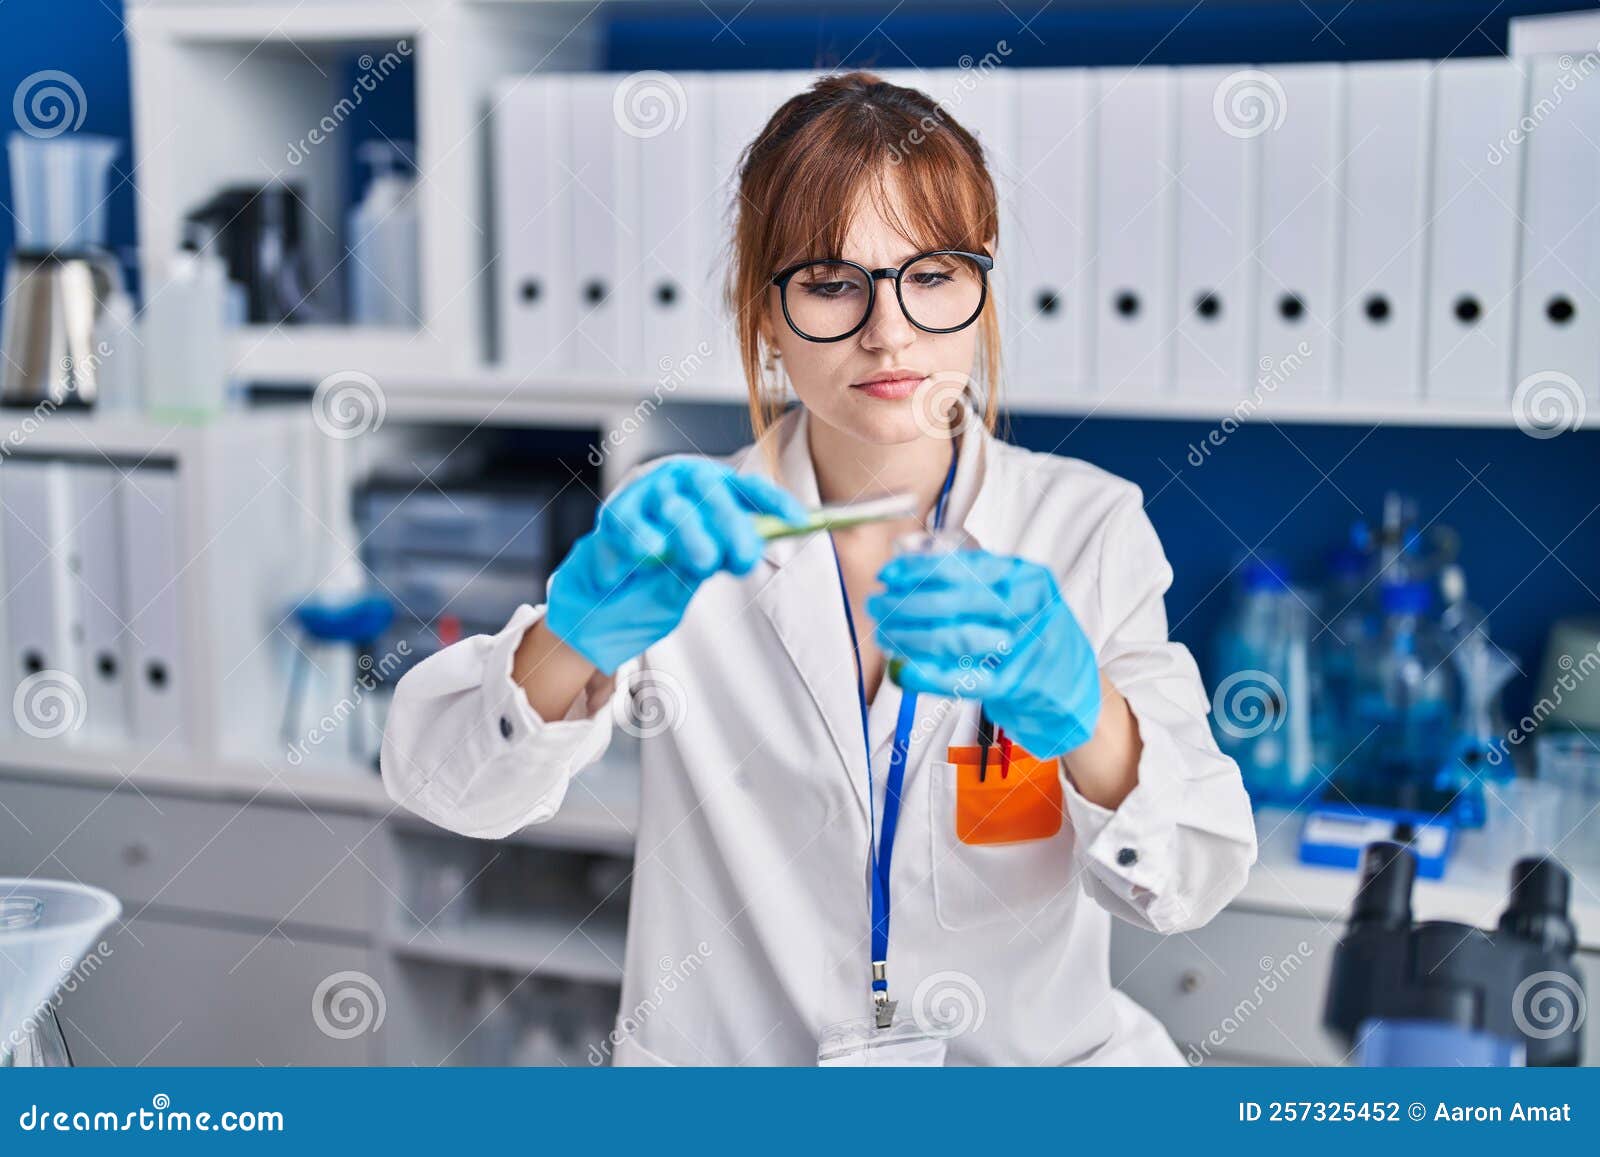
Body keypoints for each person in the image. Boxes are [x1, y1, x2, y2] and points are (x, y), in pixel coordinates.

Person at [382, 71, 1257, 1065]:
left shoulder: (1081, 524)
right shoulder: (686, 529)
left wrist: (1084, 709)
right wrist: (569, 636)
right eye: (833, 283)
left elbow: (1190, 873)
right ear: (763, 317)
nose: (889, 329)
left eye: (930, 274)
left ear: (980, 290)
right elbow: (448, 788)